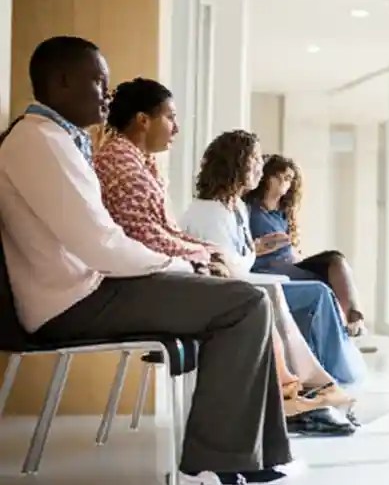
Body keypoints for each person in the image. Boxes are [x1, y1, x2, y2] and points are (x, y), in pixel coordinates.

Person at [0, 36, 290, 485]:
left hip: (91, 287)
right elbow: (100, 244)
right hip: (74, 301)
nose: (106, 92)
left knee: (242, 299)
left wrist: (182, 264)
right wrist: (179, 263)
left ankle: (251, 457)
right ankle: (208, 470)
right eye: (98, 80)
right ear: (61, 81)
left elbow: (103, 243)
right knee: (244, 304)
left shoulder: (57, 141)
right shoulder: (37, 142)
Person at [93, 78, 356, 436]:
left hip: (155, 274)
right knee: (253, 300)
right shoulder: (123, 164)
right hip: (140, 284)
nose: (176, 127)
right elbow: (146, 236)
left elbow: (163, 234)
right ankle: (292, 395)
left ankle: (304, 389)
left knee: (270, 294)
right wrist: (205, 255)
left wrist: (208, 253)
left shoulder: (141, 164)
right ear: (143, 120)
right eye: (170, 117)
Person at [181, 130, 367, 388]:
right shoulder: (211, 212)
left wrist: (253, 250)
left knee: (324, 281)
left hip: (246, 284)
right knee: (319, 293)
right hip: (233, 295)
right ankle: (332, 379)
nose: (260, 167)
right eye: (255, 160)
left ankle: (319, 376)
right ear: (236, 163)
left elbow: (237, 260)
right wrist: (256, 251)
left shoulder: (235, 209)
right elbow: (227, 270)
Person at [244, 155, 369, 338]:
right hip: (265, 267)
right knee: (324, 281)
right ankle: (339, 330)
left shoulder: (283, 215)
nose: (282, 183)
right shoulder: (250, 209)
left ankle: (353, 318)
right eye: (277, 176)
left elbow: (291, 250)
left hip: (290, 264)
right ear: (265, 177)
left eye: (288, 179)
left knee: (336, 260)